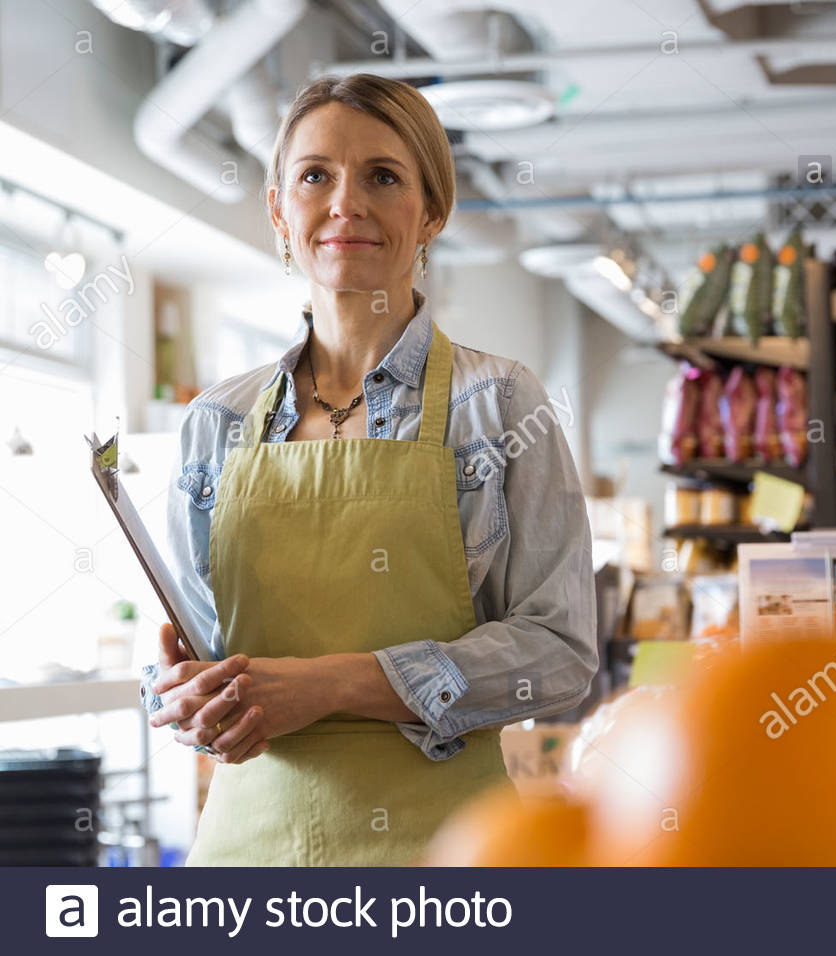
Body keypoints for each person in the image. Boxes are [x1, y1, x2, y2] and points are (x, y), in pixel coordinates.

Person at [138, 73, 598, 866]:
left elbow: (559, 655)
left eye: (382, 176)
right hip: (249, 857)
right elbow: (201, 658)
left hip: (448, 857)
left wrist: (333, 685)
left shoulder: (500, 404)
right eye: (315, 175)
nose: (345, 201)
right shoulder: (216, 423)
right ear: (281, 211)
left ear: (431, 213)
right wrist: (177, 697)